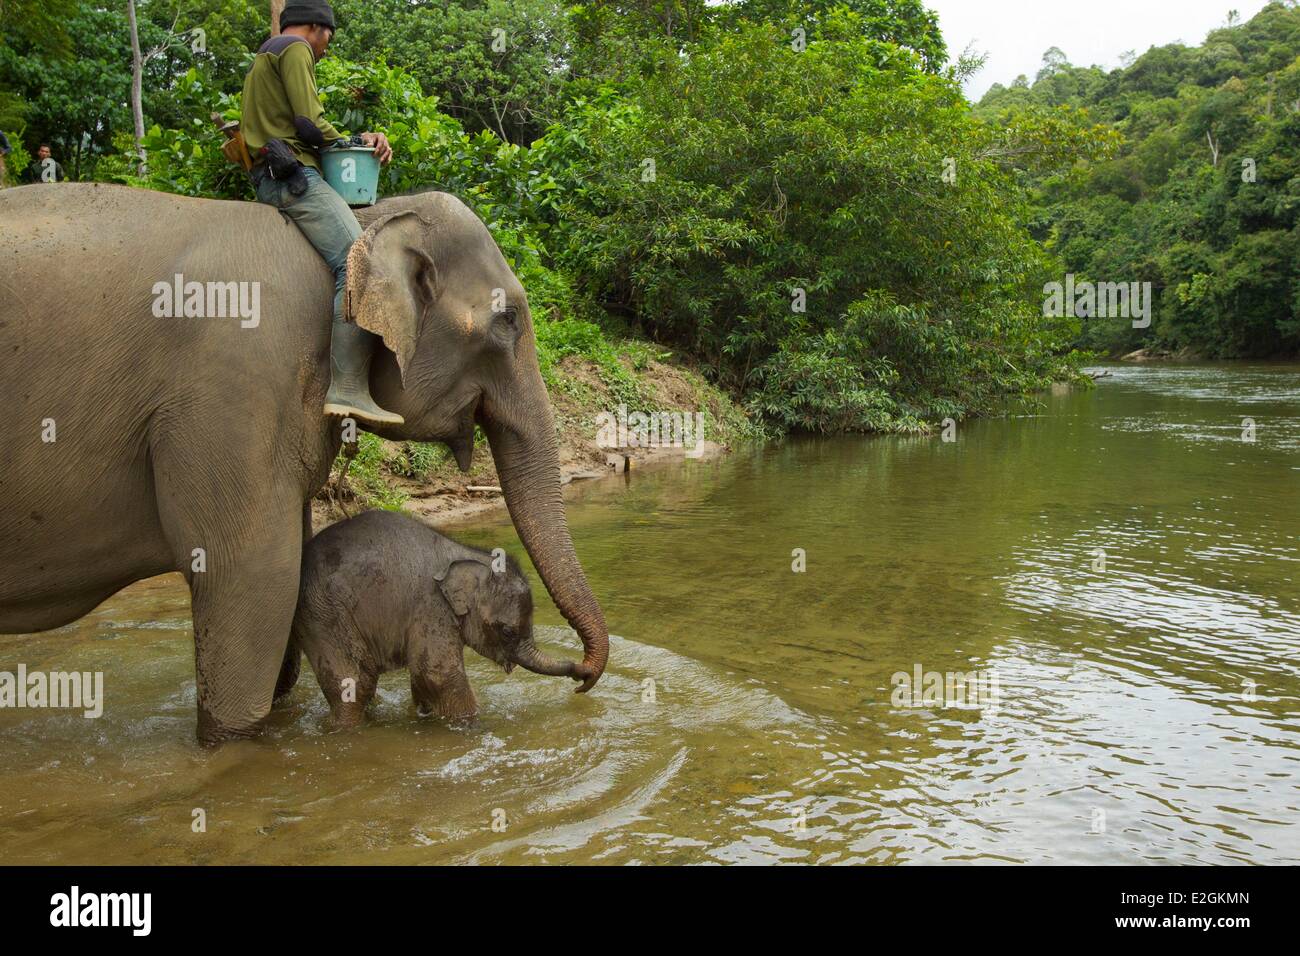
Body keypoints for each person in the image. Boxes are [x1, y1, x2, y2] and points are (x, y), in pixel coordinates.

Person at [240, 0, 402, 427]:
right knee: (358, 261)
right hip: (293, 179)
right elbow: (308, 124)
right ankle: (347, 388)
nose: (328, 46)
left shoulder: (264, 54)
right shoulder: (294, 50)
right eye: (329, 36)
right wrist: (356, 140)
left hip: (270, 173)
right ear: (315, 27)